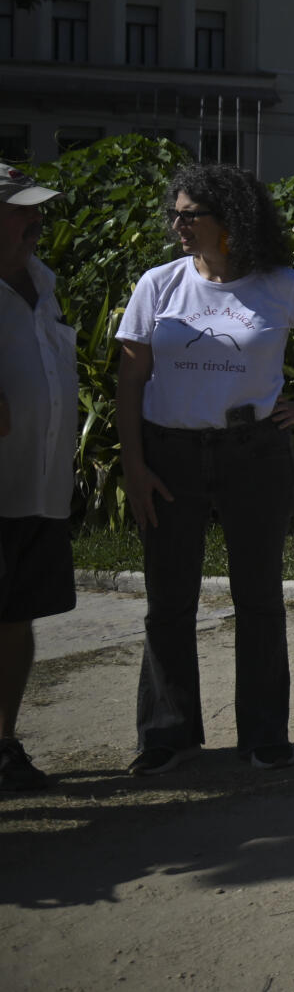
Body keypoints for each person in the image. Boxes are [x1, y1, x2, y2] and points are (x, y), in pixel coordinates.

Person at [115, 164, 294, 774]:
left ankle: (262, 732)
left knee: (259, 596)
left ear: (230, 220)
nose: (178, 225)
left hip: (253, 451)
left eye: (189, 215)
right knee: (168, 596)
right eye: (175, 213)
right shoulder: (160, 284)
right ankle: (166, 732)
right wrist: (135, 466)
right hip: (170, 452)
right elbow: (129, 381)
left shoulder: (279, 284)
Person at [0, 165, 77, 790]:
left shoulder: (43, 284)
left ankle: (5, 744)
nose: (36, 222)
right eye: (22, 211)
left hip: (37, 488)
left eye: (37, 211)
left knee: (16, 617)